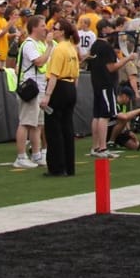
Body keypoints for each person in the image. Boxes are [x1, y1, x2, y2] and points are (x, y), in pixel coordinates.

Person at [40, 18, 80, 177]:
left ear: (62, 31)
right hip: (70, 87)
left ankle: (56, 167)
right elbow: (76, 74)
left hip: (59, 87)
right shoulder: (72, 48)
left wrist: (47, 96)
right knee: (67, 128)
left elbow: (54, 75)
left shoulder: (59, 49)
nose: (52, 30)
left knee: (53, 128)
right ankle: (69, 166)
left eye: (55, 28)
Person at [12, 14, 49, 169]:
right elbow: (39, 61)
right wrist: (50, 47)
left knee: (37, 124)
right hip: (30, 88)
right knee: (26, 122)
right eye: (42, 25)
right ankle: (20, 157)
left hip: (38, 87)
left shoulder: (37, 43)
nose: (45, 28)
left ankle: (36, 154)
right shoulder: (29, 44)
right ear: (34, 27)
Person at [88, 17, 126, 159]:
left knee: (97, 116)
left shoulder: (95, 45)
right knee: (104, 116)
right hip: (106, 83)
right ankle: (102, 147)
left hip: (97, 82)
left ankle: (95, 146)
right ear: (104, 29)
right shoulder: (105, 47)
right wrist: (127, 59)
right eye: (110, 28)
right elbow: (111, 67)